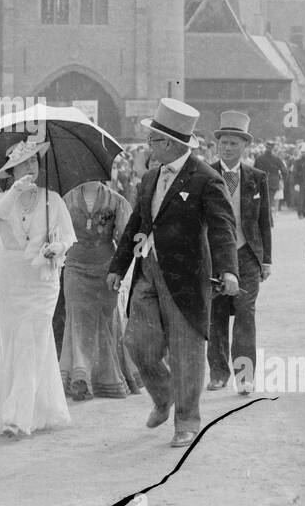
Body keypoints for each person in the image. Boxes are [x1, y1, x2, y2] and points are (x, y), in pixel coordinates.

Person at [108, 99, 239, 448]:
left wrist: (228, 270)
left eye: (152, 140)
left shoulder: (206, 180)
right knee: (137, 342)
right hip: (148, 273)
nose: (148, 146)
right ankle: (164, 394)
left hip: (187, 278)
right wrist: (118, 267)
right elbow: (136, 223)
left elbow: (222, 229)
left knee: (186, 352)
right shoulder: (149, 178)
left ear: (169, 143)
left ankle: (186, 421)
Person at [0, 139, 75, 436]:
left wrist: (56, 247)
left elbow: (67, 236)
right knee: (15, 340)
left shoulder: (51, 199)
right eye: (24, 163)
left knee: (33, 339)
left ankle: (17, 414)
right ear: (11, 170)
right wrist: (15, 192)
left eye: (34, 161)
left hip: (42, 281)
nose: (31, 168)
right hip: (13, 279)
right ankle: (36, 408)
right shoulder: (1, 200)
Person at [207, 111, 273, 394]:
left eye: (234, 143)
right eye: (224, 142)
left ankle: (245, 376)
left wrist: (266, 259)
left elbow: (263, 222)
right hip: (216, 256)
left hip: (247, 255)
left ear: (245, 146)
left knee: (246, 314)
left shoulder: (257, 178)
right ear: (217, 144)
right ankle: (219, 373)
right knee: (216, 313)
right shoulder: (206, 174)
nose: (228, 148)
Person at [59, 180, 135, 400]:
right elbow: (56, 233)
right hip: (74, 266)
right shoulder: (65, 200)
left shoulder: (117, 201)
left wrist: (120, 269)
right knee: (77, 317)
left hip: (106, 268)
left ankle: (103, 378)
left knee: (106, 320)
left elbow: (125, 240)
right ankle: (79, 376)